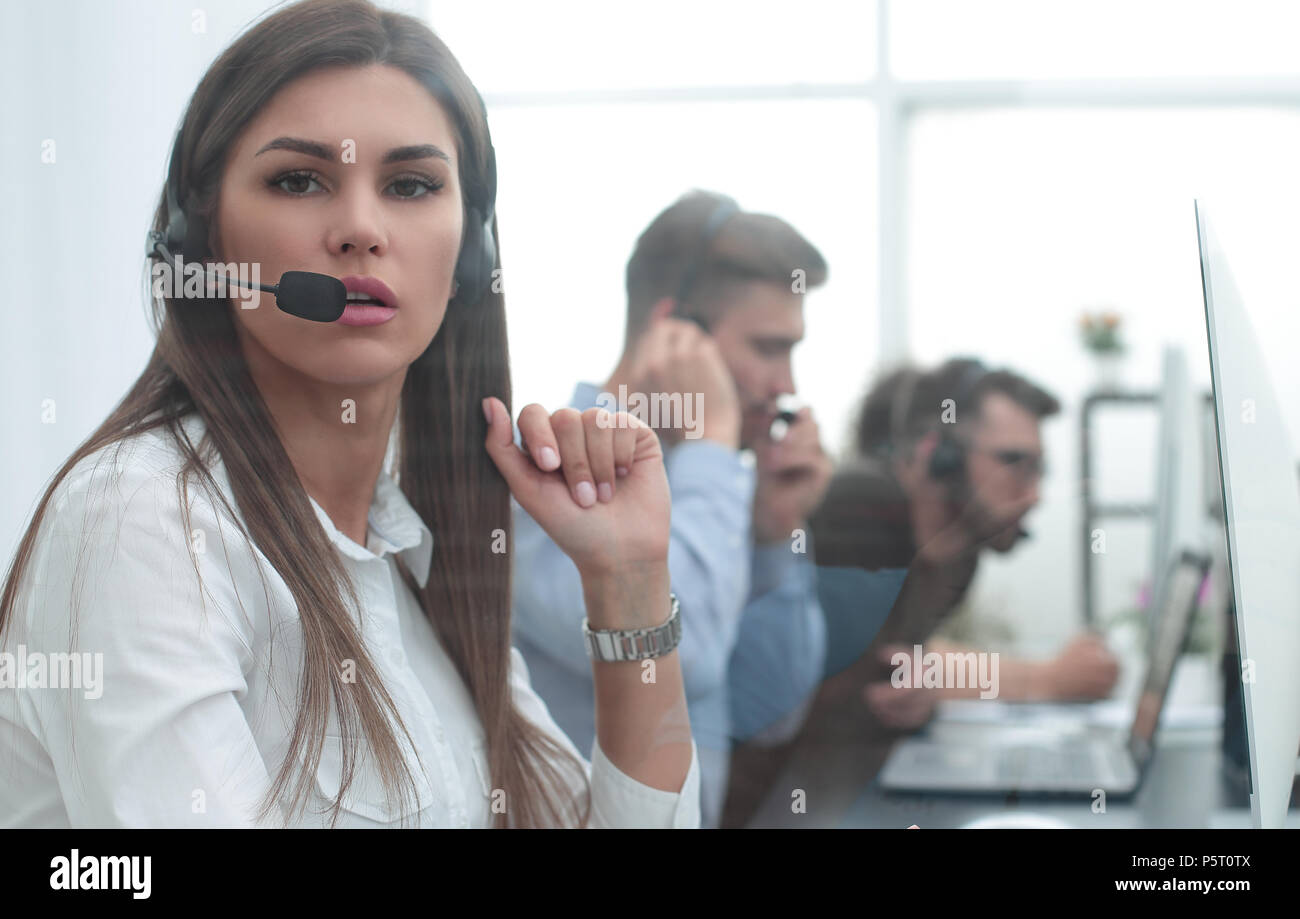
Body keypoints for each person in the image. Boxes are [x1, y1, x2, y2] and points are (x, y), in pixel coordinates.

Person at [0, 0, 699, 828]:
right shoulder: (144, 521)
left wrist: (629, 585)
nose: (361, 229)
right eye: (298, 180)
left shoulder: (409, 552)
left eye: (411, 185)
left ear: (470, 253)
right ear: (200, 241)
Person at [511, 191, 834, 826]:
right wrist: (714, 434)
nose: (787, 385)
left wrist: (774, 537)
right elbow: (691, 657)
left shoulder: (707, 492)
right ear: (675, 333)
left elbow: (767, 713)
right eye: (770, 348)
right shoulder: (542, 475)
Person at [810, 357, 1119, 729]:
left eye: (1039, 470)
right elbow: (863, 681)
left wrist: (925, 692)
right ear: (941, 455)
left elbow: (906, 664)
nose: (1034, 495)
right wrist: (1047, 679)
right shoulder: (861, 506)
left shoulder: (959, 551)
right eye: (1014, 462)